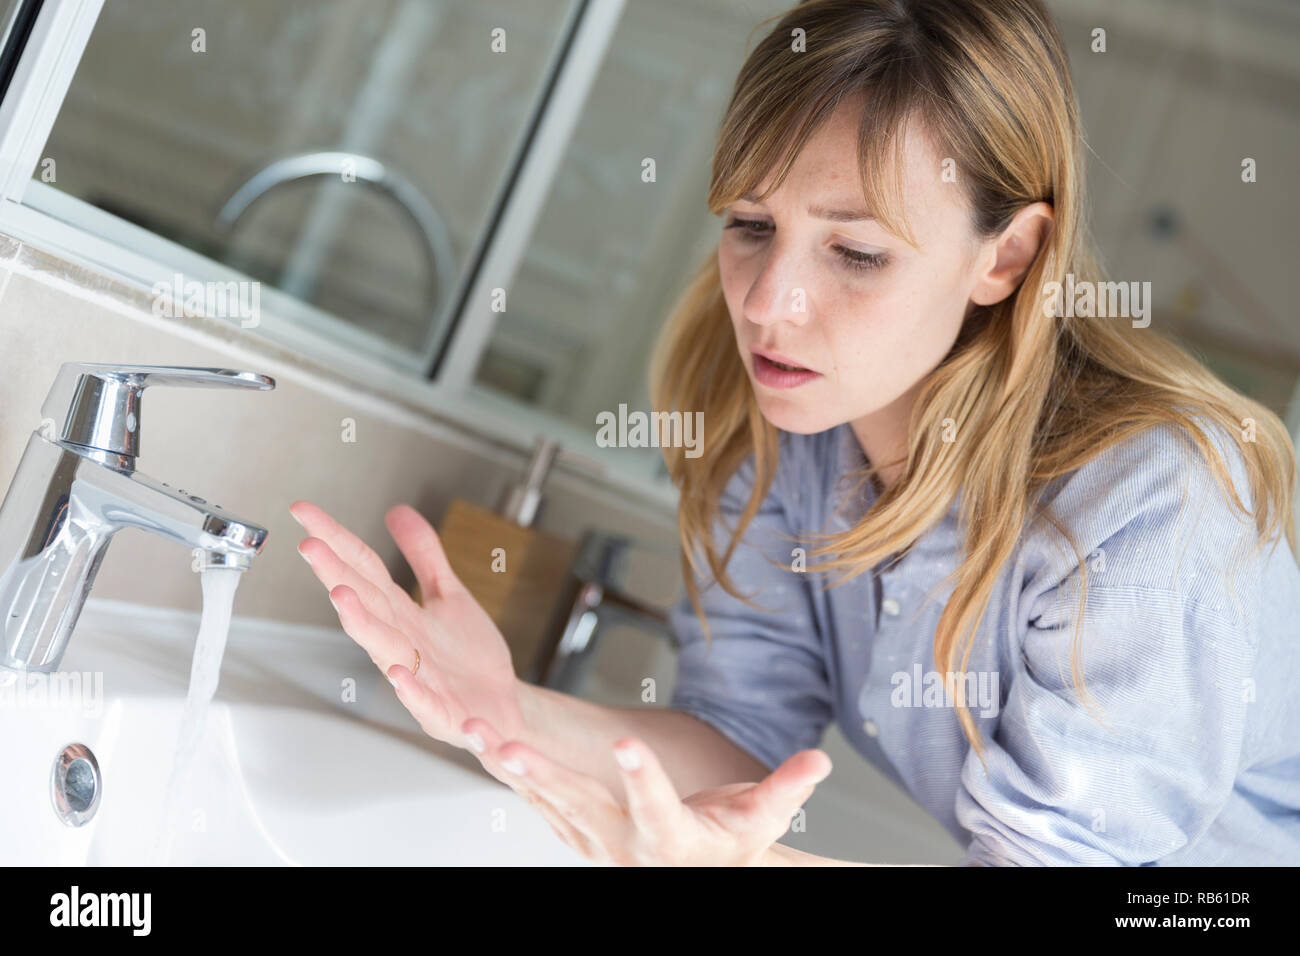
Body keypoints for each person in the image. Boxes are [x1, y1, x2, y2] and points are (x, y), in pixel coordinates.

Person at [292, 0, 1300, 866]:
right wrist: (510, 712)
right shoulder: (792, 432)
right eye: (749, 222)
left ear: (1007, 255)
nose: (770, 302)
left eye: (855, 252)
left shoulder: (1148, 502)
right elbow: (740, 738)